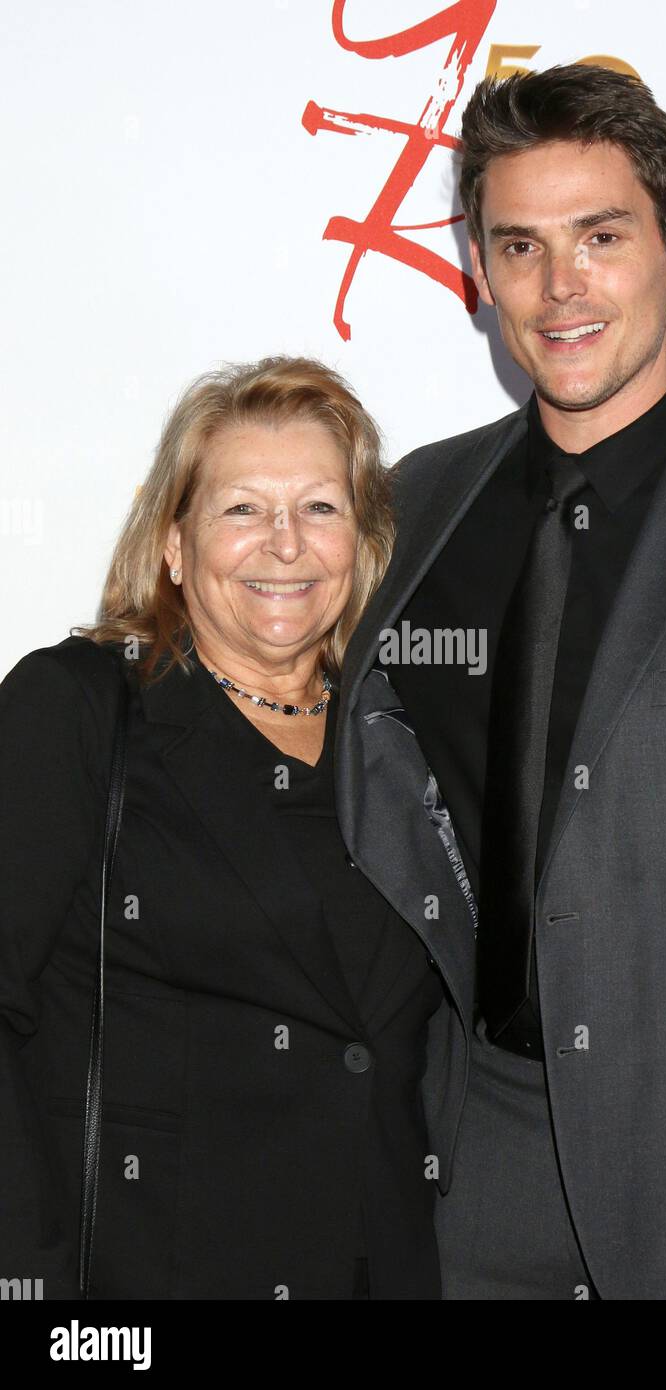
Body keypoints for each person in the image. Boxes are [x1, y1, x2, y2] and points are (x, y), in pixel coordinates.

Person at [334, 64, 666, 1300]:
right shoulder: (417, 507)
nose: (557, 286)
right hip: (470, 1168)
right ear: (475, 268)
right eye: (517, 245)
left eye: (600, 237)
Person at [0, 355, 473, 1299]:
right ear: (175, 545)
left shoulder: (405, 736)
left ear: (362, 541)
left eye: (320, 508)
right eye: (243, 509)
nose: (285, 544)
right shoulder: (81, 709)